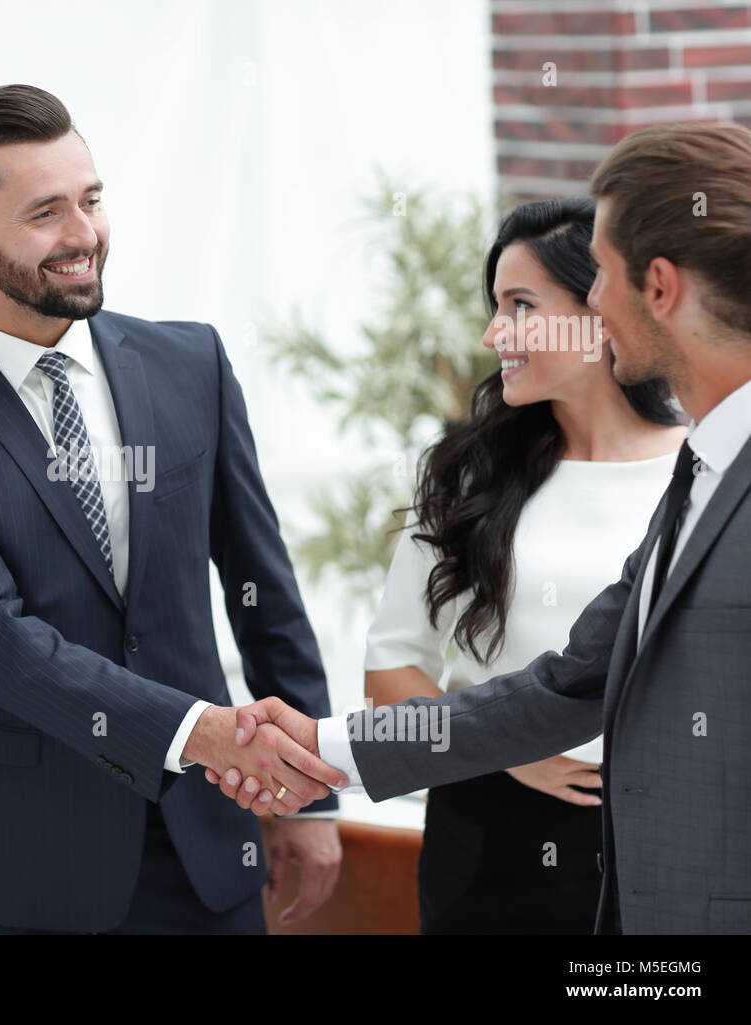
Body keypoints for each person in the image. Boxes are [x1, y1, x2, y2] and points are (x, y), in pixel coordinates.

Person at [212, 121, 751, 935]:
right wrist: (322, 745)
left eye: (599, 275)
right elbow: (564, 686)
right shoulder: (701, 473)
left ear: (660, 287)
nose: (595, 303)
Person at [0, 84, 344, 935]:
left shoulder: (193, 363)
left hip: (207, 840)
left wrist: (312, 793)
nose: (83, 236)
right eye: (45, 213)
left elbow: (264, 583)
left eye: (92, 199)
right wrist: (199, 730)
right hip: (18, 862)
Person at [363, 197, 684, 933]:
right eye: (494, 305)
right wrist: (513, 751)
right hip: (484, 841)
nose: (491, 332)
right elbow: (388, 677)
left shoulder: (704, 476)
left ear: (600, 309)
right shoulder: (465, 476)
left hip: (657, 837)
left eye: (519, 305)